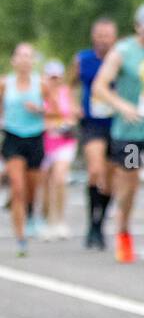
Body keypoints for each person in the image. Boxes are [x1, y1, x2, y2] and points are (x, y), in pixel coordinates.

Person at [92, 3, 144, 263]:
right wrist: (121, 105)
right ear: (137, 27)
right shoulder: (122, 51)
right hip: (129, 130)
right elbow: (100, 86)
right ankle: (124, 232)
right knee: (131, 182)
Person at [72, 18, 118, 249]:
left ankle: (100, 224)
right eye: (99, 35)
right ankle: (92, 223)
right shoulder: (83, 60)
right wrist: (72, 105)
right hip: (92, 124)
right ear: (93, 37)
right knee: (94, 171)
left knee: (116, 178)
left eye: (107, 35)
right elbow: (66, 85)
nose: (103, 40)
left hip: (121, 127)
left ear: (115, 37)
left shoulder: (123, 60)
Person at [0, 44, 46, 255]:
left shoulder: (42, 84)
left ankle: (30, 214)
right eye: (21, 56)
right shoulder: (4, 84)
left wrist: (40, 109)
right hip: (12, 138)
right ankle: (20, 239)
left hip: (35, 138)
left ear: (33, 61)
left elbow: (58, 110)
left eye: (29, 56)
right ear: (14, 61)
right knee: (17, 188)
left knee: (31, 189)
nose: (25, 60)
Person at [41, 60, 79, 239]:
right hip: (44, 142)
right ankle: (47, 220)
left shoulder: (66, 93)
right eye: (51, 77)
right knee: (46, 183)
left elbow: (73, 115)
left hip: (64, 141)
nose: (54, 81)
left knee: (60, 178)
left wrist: (66, 123)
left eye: (57, 77)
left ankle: (60, 221)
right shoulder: (40, 94)